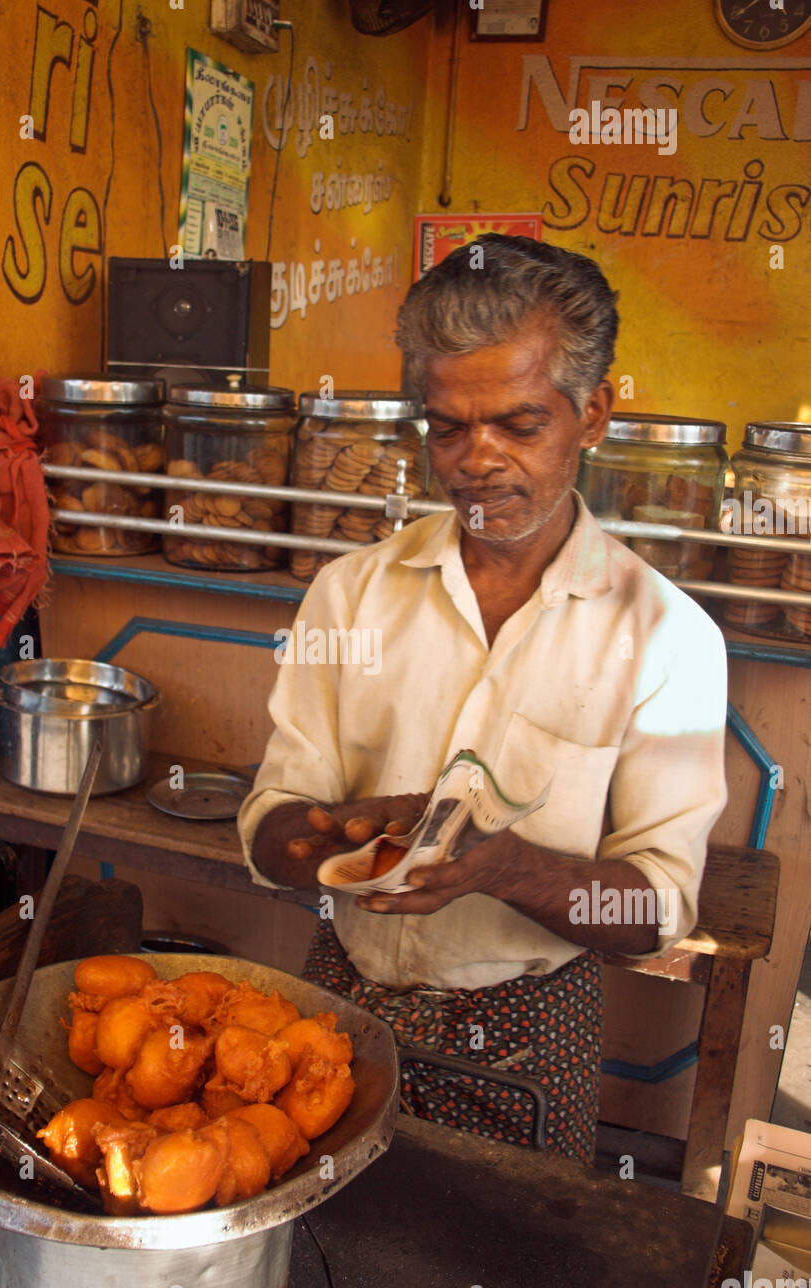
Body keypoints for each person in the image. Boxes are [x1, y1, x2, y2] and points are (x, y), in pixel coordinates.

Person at [237, 235, 727, 1163]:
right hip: (337, 1005)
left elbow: (655, 913)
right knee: (320, 1253)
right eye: (448, 427)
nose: (476, 461)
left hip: (533, 1026)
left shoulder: (667, 639)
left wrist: (503, 869)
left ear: (593, 413)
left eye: (519, 423)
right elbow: (268, 829)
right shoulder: (348, 596)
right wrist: (340, 837)